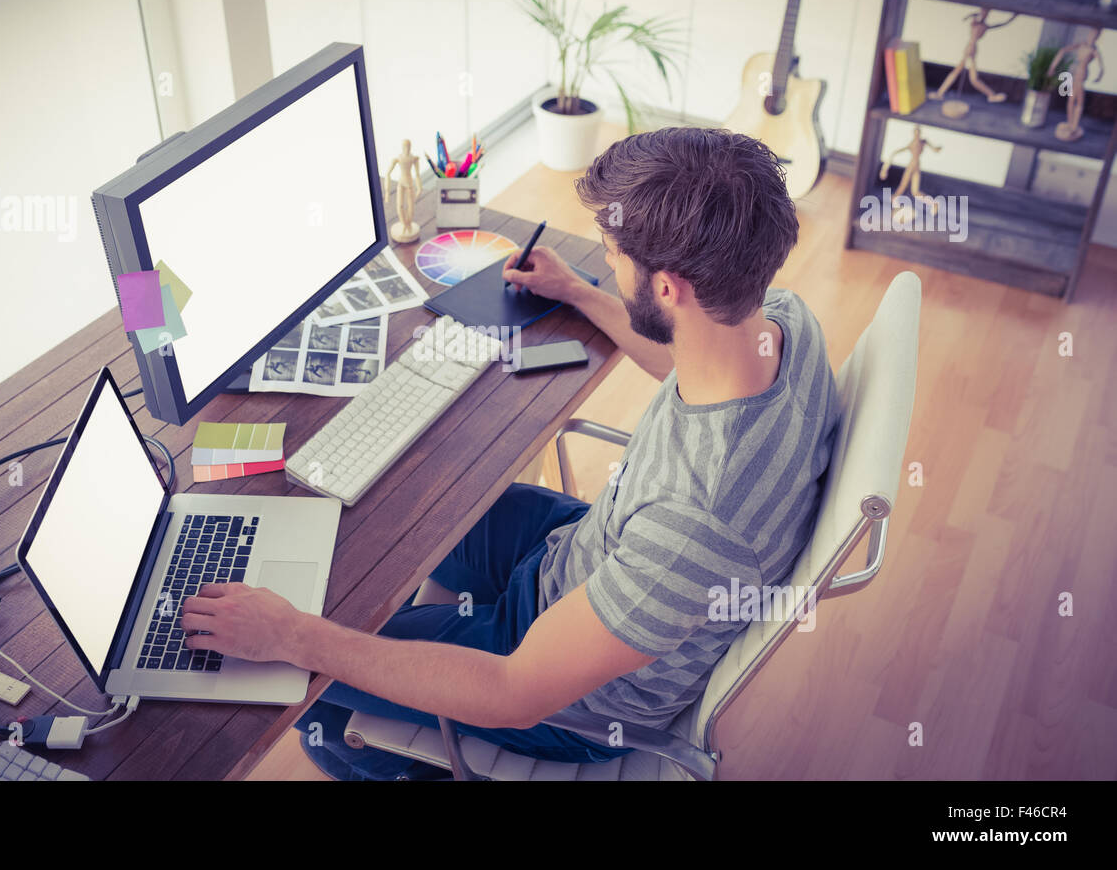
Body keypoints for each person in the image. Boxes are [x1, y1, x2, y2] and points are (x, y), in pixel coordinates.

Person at [180, 127, 841, 780]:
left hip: (564, 694)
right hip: (584, 550)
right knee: (412, 509)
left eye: (612, 253)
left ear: (668, 289)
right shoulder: (778, 321)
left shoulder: (693, 527)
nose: (608, 261)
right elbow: (680, 353)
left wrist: (293, 636)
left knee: (311, 706)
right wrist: (582, 292)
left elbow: (512, 691)